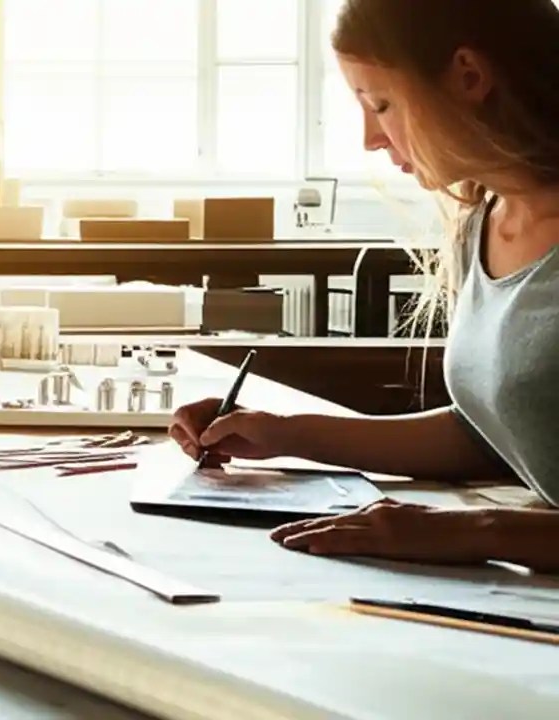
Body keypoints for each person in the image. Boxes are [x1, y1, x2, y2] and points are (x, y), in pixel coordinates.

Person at [169, 0, 559, 573]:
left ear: (470, 77)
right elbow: (495, 430)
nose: (371, 138)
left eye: (381, 104)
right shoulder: (484, 220)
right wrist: (282, 433)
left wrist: (477, 531)